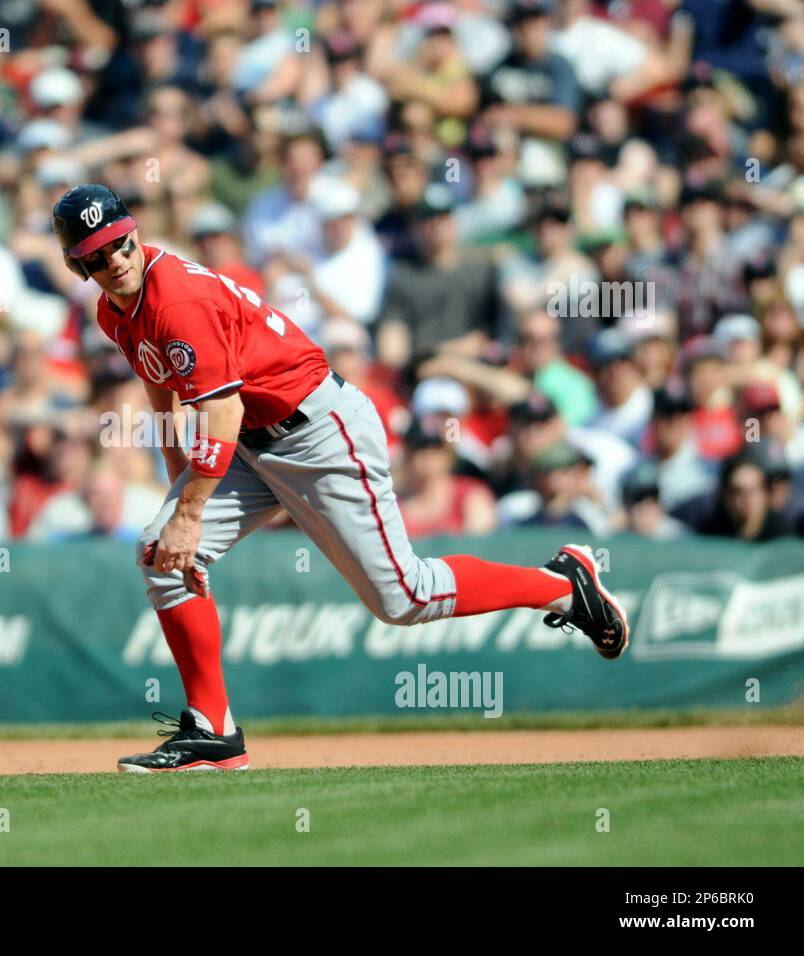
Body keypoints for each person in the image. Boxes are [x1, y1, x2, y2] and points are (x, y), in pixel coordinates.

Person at [52, 183, 629, 774]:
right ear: (78, 265)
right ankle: (213, 729)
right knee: (161, 556)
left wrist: (191, 513)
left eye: (119, 243)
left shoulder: (176, 300)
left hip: (319, 434)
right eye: (96, 256)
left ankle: (563, 583)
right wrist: (179, 505)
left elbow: (218, 411)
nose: (114, 260)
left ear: (135, 233)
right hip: (248, 443)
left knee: (404, 598)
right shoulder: (113, 309)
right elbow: (167, 394)